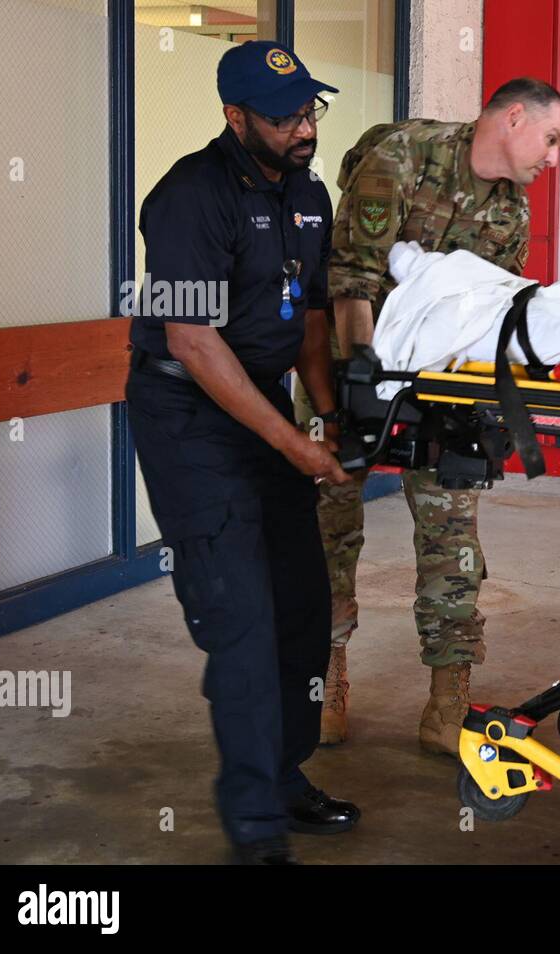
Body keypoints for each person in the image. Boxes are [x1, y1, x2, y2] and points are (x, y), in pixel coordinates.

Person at [126, 40, 359, 864]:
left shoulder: (307, 193)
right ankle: (257, 836)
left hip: (263, 401)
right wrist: (294, 441)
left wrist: (326, 414)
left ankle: (283, 776)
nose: (305, 128)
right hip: (189, 414)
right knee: (243, 620)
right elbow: (191, 340)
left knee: (303, 608)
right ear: (235, 117)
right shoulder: (190, 196)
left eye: (310, 111)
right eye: (285, 116)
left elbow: (312, 317)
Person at [296, 78, 560, 754]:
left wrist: (491, 404)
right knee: (327, 528)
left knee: (452, 538)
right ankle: (323, 680)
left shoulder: (511, 212)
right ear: (513, 119)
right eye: (552, 139)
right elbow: (351, 276)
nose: (553, 159)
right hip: (347, 373)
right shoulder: (402, 157)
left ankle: (446, 701)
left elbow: (487, 309)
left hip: (439, 384)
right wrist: (363, 383)